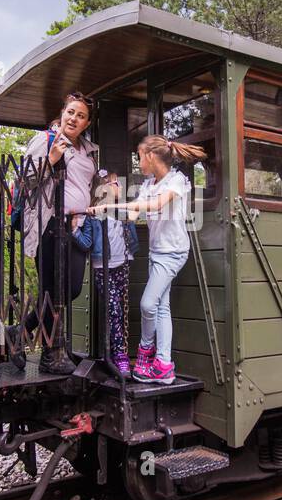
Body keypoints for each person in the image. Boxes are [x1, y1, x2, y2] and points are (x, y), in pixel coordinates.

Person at [87, 134, 206, 385]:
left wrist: (106, 208)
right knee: (162, 308)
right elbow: (134, 212)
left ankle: (145, 351)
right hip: (157, 252)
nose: (138, 162)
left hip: (173, 253)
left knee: (148, 304)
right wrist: (105, 205)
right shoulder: (148, 185)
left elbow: (154, 206)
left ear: (150, 156)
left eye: (139, 156)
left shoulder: (177, 181)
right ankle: (164, 365)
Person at [6, 92, 97, 374]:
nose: (74, 118)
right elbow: (26, 180)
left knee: (70, 290)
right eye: (71, 112)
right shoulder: (46, 140)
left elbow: (85, 186)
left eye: (81, 116)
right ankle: (50, 353)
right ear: (62, 113)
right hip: (50, 225)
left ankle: (19, 333)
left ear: (86, 123)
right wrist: (52, 158)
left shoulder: (89, 150)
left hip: (78, 227)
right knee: (51, 291)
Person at [74, 171, 139, 375]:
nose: (119, 186)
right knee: (114, 310)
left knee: (119, 309)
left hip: (122, 264)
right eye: (115, 183)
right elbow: (86, 243)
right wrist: (75, 230)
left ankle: (114, 351)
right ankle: (119, 356)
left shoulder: (122, 211)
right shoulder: (93, 215)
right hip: (103, 267)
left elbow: (132, 234)